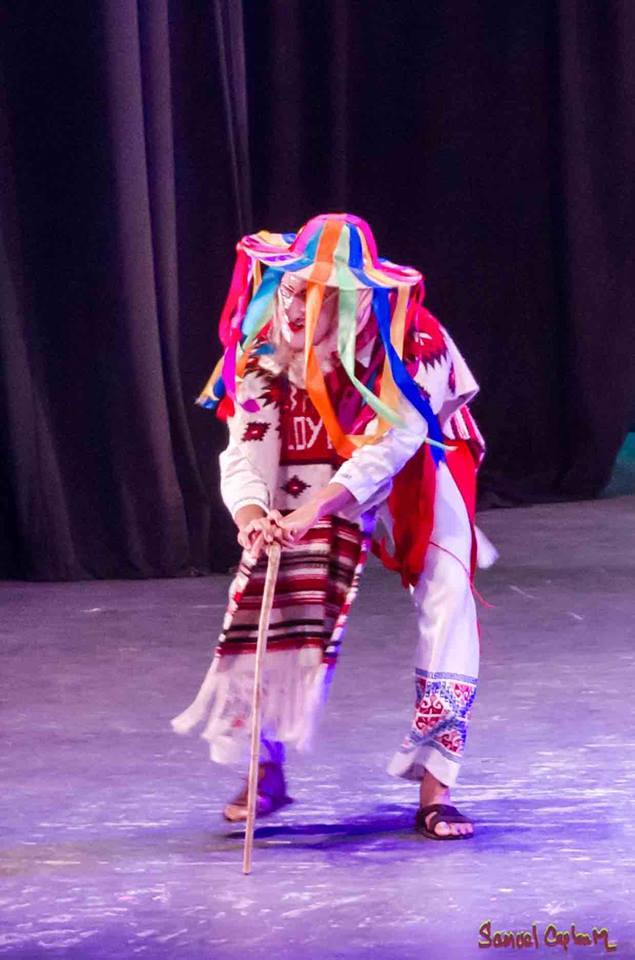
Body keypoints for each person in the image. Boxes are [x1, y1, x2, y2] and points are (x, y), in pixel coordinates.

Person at [172, 213, 490, 840]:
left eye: (319, 296)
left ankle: (435, 786)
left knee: (449, 593)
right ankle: (265, 766)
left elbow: (390, 446)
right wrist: (254, 515)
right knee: (269, 573)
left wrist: (314, 509)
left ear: (351, 300)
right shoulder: (262, 339)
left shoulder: (409, 339)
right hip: (312, 450)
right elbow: (248, 441)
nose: (297, 306)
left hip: (414, 461)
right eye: (293, 288)